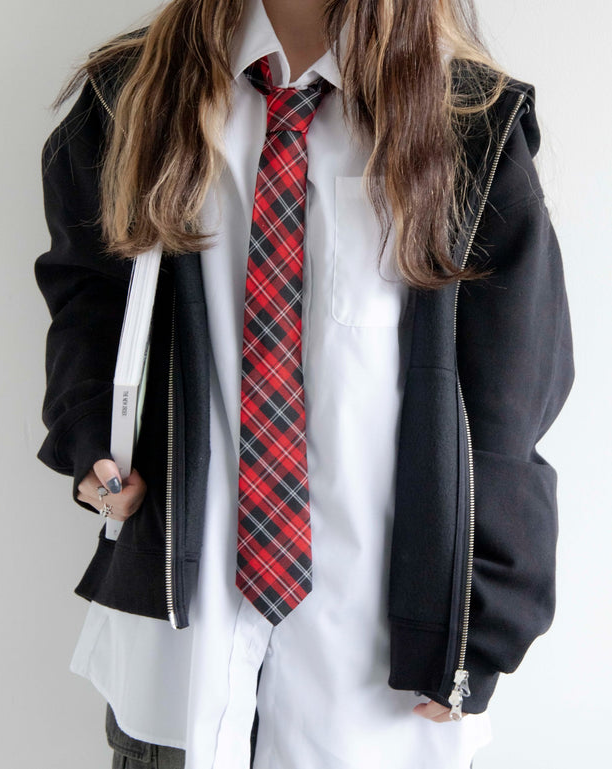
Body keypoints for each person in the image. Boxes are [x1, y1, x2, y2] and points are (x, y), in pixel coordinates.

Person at [34, 1, 575, 767]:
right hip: (181, 640)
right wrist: (93, 432)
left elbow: (509, 400)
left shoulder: (467, 120)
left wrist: (478, 627)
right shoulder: (133, 94)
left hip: (378, 662)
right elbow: (86, 294)